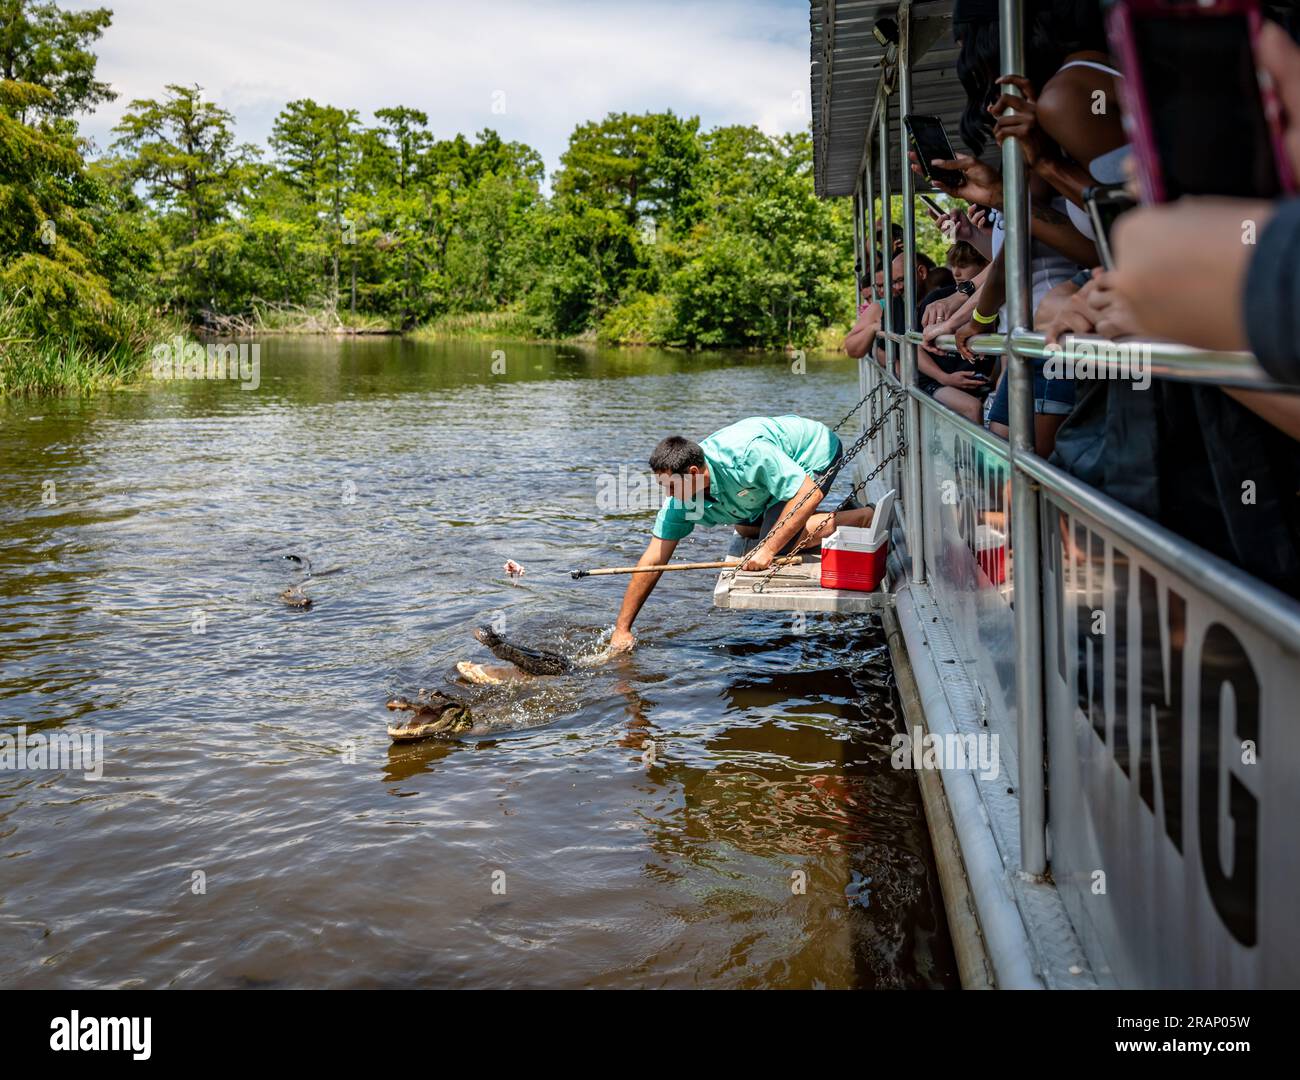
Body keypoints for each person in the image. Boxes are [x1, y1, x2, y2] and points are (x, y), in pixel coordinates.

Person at [608, 416, 875, 651]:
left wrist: (768, 549)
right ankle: (797, 523)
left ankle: (862, 517)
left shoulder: (745, 457)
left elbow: (808, 492)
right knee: (746, 529)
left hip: (813, 451)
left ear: (692, 473)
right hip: (766, 476)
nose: (667, 494)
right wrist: (622, 629)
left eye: (670, 486)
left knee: (781, 542)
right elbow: (653, 560)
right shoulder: (681, 502)